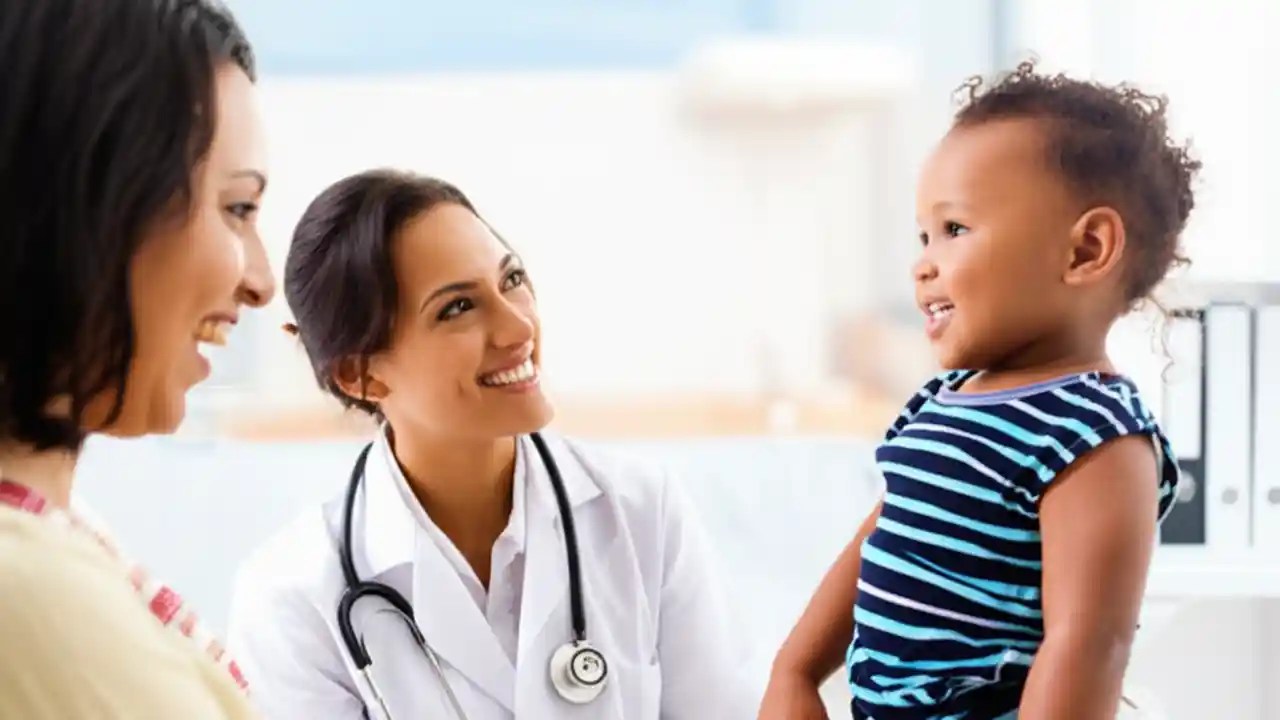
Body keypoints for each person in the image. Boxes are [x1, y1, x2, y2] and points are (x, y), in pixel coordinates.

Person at [225, 169, 761, 719]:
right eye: (457, 308)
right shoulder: (291, 595)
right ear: (360, 375)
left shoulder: (642, 512)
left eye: (512, 280)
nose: (517, 327)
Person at [759, 61, 1197, 720]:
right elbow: (887, 537)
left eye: (955, 229)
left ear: (1084, 251)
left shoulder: (1094, 434)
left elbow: (1088, 646)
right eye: (923, 235)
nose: (924, 262)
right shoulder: (946, 400)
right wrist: (794, 671)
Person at [0, 1, 275, 717]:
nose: (262, 279)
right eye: (237, 209)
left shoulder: (55, 543)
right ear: (91, 200)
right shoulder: (28, 593)